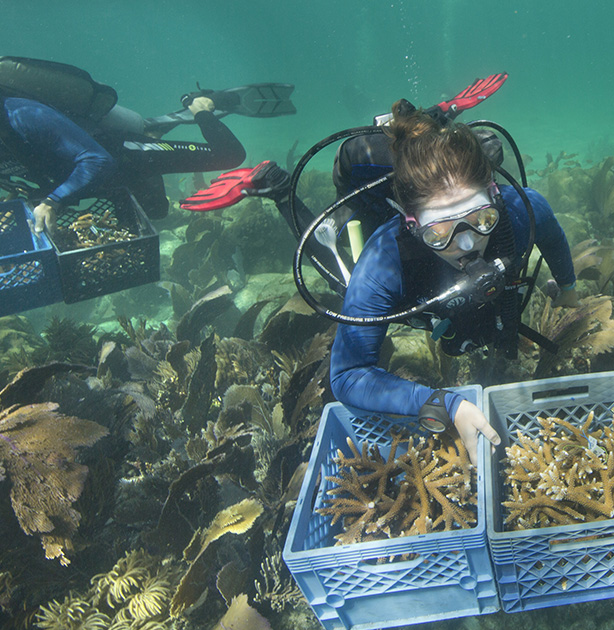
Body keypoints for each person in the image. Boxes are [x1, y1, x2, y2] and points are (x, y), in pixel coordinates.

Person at [182, 84, 580, 463]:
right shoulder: (385, 260)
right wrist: (442, 404)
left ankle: (431, 121)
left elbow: (552, 235)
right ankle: (277, 187)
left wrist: (568, 287)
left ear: (495, 197)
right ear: (412, 223)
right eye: (439, 232)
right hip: (378, 217)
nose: (466, 243)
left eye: (482, 219)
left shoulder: (522, 209)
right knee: (339, 271)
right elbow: (348, 375)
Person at [0, 38, 247, 232]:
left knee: (228, 156)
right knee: (157, 212)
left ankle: (198, 106)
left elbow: (97, 160)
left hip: (115, 153)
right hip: (74, 178)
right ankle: (152, 127)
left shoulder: (19, 114)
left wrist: (53, 201)